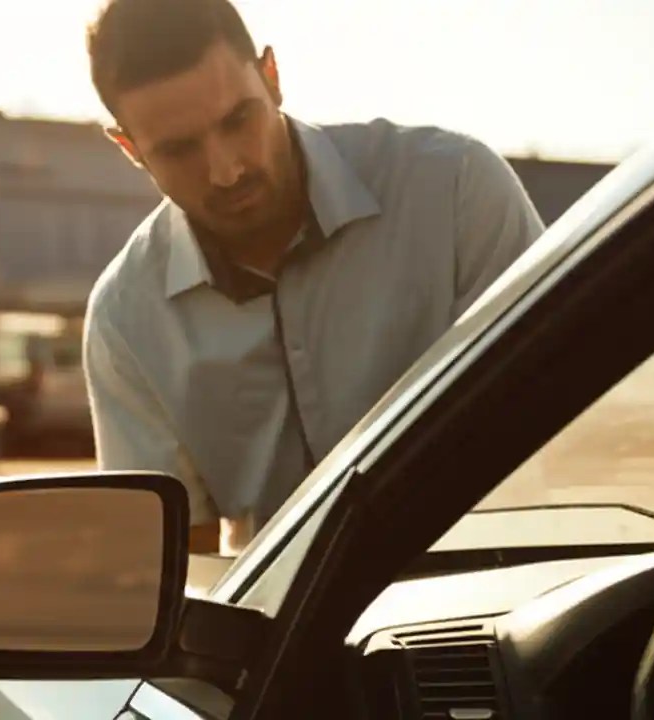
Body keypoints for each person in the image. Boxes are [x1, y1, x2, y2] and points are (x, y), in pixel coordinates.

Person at [81, 0, 546, 554]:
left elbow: (556, 431)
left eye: (238, 120)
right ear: (129, 149)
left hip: (498, 596)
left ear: (272, 78)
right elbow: (175, 567)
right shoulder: (125, 320)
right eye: (179, 150)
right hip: (285, 636)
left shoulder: (456, 190)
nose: (226, 170)